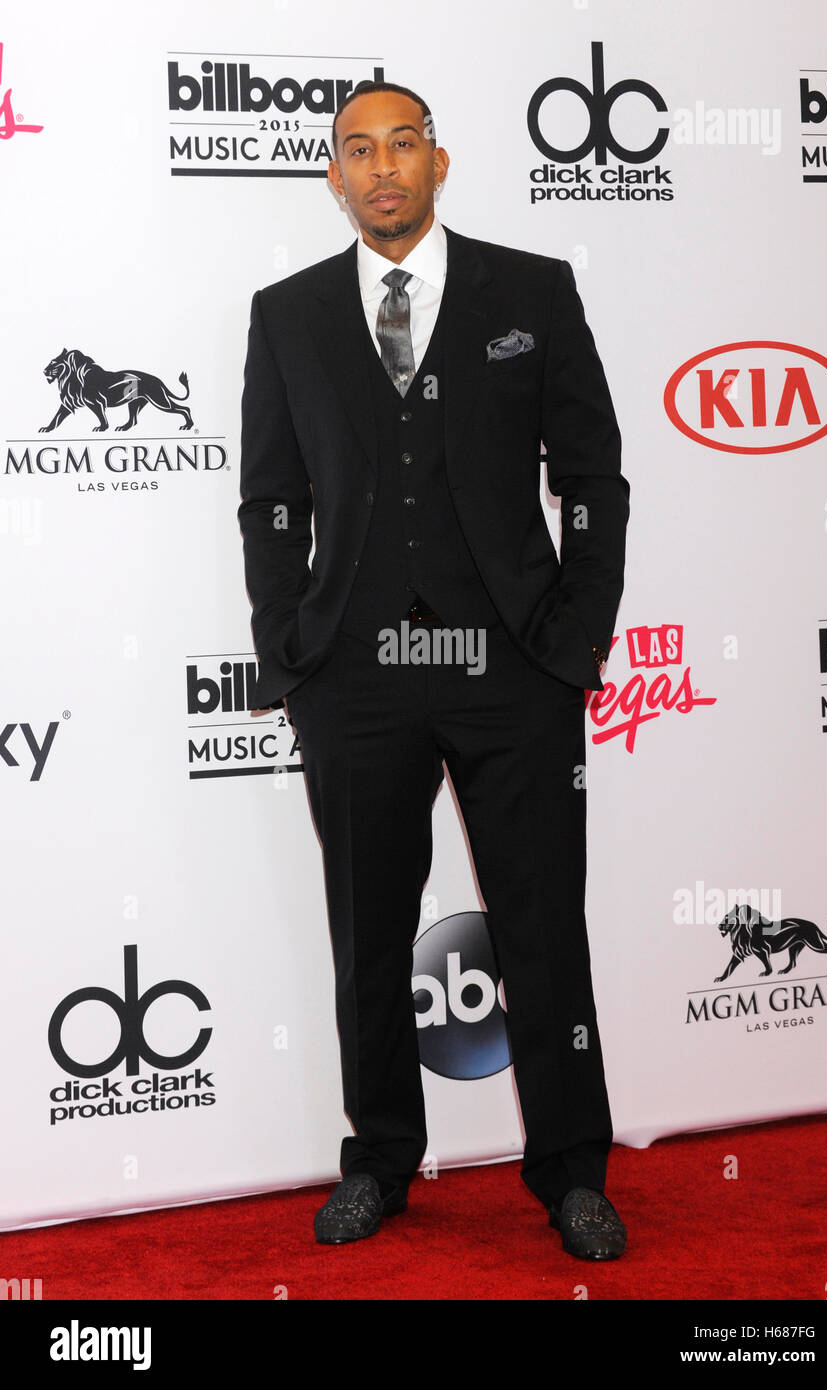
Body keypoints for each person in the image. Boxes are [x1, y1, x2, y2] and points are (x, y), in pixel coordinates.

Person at [237, 80, 630, 1261]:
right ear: (335, 176)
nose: (383, 167)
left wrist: (572, 642)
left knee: (542, 926)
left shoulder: (531, 289)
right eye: (358, 150)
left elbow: (594, 479)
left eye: (402, 143)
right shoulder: (287, 313)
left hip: (511, 670)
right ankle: (380, 1158)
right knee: (367, 928)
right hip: (355, 675)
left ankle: (571, 1170)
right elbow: (268, 500)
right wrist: (289, 648)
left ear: (439, 160)